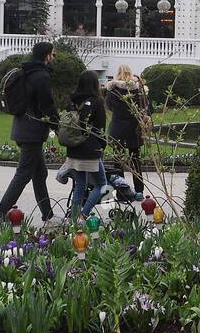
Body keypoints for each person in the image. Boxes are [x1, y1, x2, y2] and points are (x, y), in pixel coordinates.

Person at [0, 42, 60, 224]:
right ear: (46, 56)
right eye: (52, 55)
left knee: (40, 174)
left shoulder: (27, 71)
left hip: (23, 127)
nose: (53, 58)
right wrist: (58, 126)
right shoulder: (40, 76)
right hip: (32, 131)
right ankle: (0, 215)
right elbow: (47, 105)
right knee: (23, 174)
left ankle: (48, 215)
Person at [63, 70, 108, 220]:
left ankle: (74, 218)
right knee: (101, 184)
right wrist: (103, 145)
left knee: (80, 185)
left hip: (73, 148)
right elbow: (100, 128)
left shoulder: (72, 101)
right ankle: (84, 214)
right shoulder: (97, 102)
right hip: (90, 149)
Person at [106, 65, 149, 198]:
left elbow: (109, 106)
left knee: (118, 161)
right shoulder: (138, 90)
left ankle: (122, 191)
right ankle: (139, 191)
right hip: (133, 128)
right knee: (135, 159)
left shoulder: (113, 90)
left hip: (117, 127)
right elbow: (146, 106)